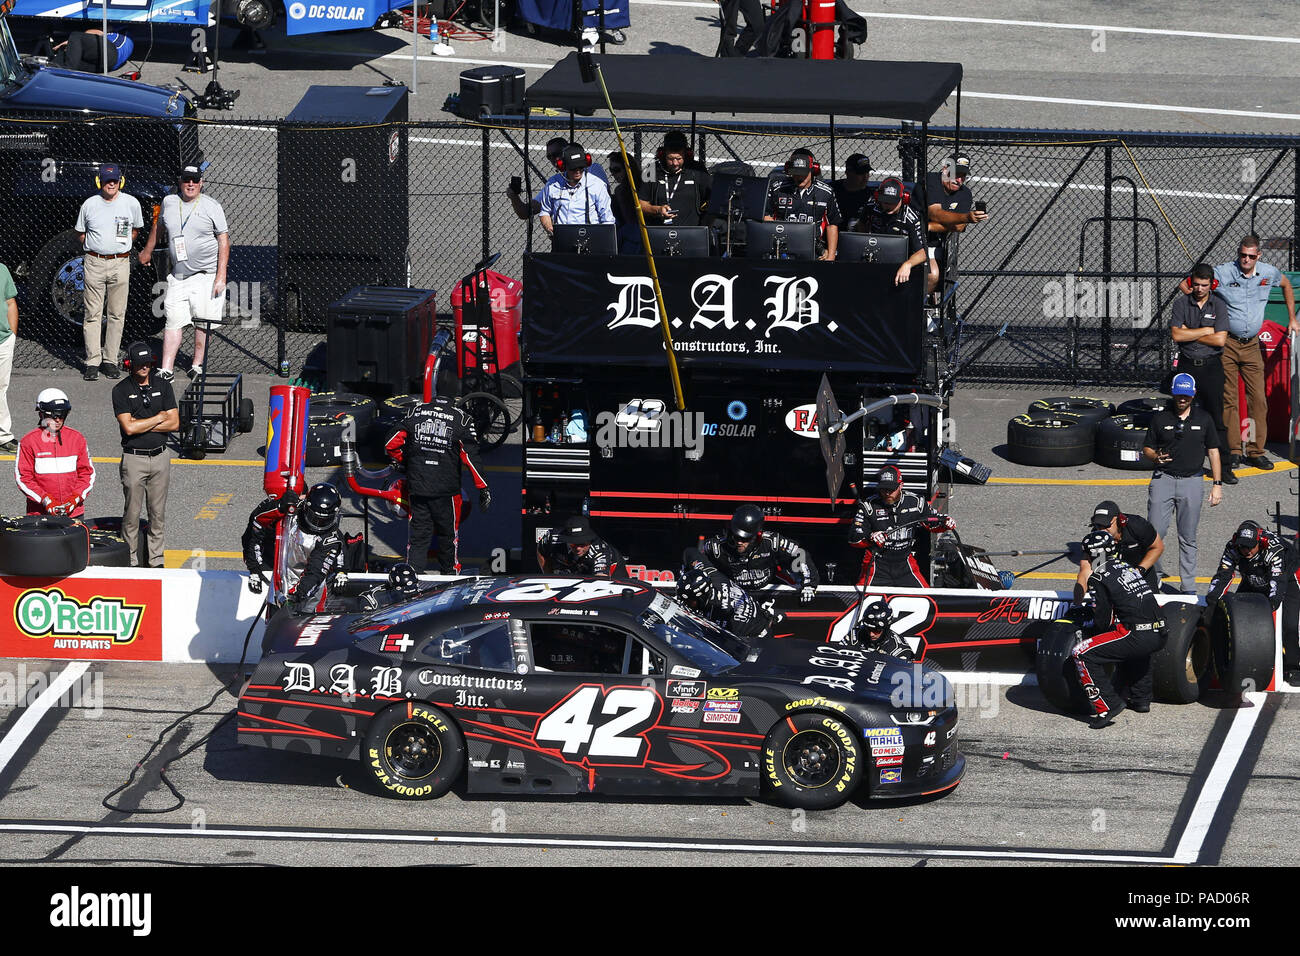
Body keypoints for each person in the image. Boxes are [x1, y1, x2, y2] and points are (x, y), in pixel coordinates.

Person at [1186, 234, 1298, 471]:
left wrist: (1292, 319)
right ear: (1238, 254)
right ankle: (1234, 450)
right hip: (1227, 343)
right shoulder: (1224, 272)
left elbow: (1287, 285)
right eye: (1242, 255)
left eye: (1250, 256)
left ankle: (1256, 451)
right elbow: (1190, 284)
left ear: (1259, 255)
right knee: (1229, 399)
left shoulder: (1268, 273)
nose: (1245, 260)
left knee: (1258, 399)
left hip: (1252, 345)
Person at [384, 375, 491, 574]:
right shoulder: (462, 419)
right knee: (448, 535)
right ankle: (449, 574)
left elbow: (390, 443)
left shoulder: (415, 412)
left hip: (418, 485)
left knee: (418, 534)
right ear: (456, 395)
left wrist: (404, 460)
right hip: (446, 491)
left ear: (435, 392)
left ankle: (412, 574)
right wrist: (483, 487)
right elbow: (471, 457)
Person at [138, 161, 229, 383]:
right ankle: (166, 368)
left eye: (195, 180)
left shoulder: (212, 206)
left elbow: (223, 241)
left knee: (202, 322)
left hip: (204, 275)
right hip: (178, 275)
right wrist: (147, 251)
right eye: (186, 180)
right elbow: (159, 228)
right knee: (173, 320)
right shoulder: (169, 202)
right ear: (180, 182)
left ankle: (197, 365)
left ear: (201, 183)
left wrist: (221, 276)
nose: (190, 184)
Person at [1073, 529, 1167, 729]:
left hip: (1137, 635)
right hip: (1161, 631)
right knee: (1133, 646)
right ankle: (1141, 699)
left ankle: (1107, 705)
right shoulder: (1127, 567)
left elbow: (1103, 619)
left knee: (1081, 653)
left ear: (1091, 556)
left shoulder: (1098, 577)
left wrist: (1093, 631)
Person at [1142, 373, 1223, 594]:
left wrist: (1217, 484)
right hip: (1163, 480)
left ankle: (1188, 586)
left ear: (1193, 394)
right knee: (1154, 534)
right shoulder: (1160, 419)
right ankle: (1154, 579)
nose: (1182, 399)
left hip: (1192, 482)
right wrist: (1155, 457)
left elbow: (1213, 452)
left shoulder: (1204, 419)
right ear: (1173, 393)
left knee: (1188, 536)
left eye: (1186, 395)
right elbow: (1147, 448)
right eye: (1179, 395)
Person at [112, 340, 178, 568]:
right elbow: (128, 428)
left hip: (160, 457)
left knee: (157, 514)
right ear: (130, 364)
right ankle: (130, 561)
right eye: (140, 364)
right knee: (131, 514)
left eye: (148, 363)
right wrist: (159, 418)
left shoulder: (164, 385)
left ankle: (156, 561)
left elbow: (175, 423)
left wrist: (142, 423)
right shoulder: (120, 390)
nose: (144, 367)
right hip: (134, 458)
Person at [76, 162, 143, 382]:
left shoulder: (131, 203)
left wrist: (120, 245)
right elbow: (81, 234)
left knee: (116, 314)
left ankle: (110, 360)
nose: (111, 184)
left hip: (120, 263)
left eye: (114, 180)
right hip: (95, 262)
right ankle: (93, 361)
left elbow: (135, 230)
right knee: (92, 314)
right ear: (100, 182)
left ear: (120, 181)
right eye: (107, 180)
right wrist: (99, 248)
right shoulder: (89, 204)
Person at [242, 483, 351, 612]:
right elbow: (257, 520)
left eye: (324, 520)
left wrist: (296, 596)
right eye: (315, 518)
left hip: (309, 598)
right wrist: (279, 506)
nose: (318, 524)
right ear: (306, 507)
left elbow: (316, 571)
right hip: (278, 588)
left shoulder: (331, 538)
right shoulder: (291, 513)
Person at [1171, 262, 1234, 482]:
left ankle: (1224, 468)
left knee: (1217, 418)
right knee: (1182, 415)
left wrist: (1192, 332)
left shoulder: (1219, 305)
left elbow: (1220, 339)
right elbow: (1177, 336)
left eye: (1204, 285)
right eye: (1196, 284)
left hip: (1211, 368)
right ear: (1191, 282)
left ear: (1211, 284)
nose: (1199, 289)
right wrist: (1206, 330)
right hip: (1187, 366)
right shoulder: (1181, 304)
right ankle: (1181, 463)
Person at [848, 465, 954, 588]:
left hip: (905, 564)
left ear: (901, 485)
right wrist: (871, 536)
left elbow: (932, 521)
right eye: (883, 489)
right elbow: (853, 537)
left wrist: (945, 522)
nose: (887, 493)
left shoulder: (916, 502)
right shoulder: (868, 506)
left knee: (928, 600)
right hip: (876, 565)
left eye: (891, 489)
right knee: (859, 600)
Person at [692, 504, 819, 602]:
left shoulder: (772, 542)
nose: (739, 542)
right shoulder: (716, 546)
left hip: (768, 589)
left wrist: (809, 585)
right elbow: (695, 555)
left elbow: (800, 553)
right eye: (736, 537)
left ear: (757, 536)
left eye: (745, 539)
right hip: (734, 594)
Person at [914, 154, 988, 296]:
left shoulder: (965, 194)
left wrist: (929, 226)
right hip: (915, 239)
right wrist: (966, 217)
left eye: (963, 176)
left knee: (933, 274)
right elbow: (935, 213)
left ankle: (921, 308)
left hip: (937, 245)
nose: (958, 180)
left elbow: (960, 227)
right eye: (955, 174)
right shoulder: (930, 181)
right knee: (932, 274)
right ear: (944, 169)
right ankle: (917, 310)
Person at [15, 388, 94, 518]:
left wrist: (75, 498)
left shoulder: (77, 439)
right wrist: (45, 499)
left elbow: (87, 474)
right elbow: (23, 478)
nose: (58, 420)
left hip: (74, 512)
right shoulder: (28, 442)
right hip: (39, 513)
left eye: (62, 415)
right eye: (53, 415)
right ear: (41, 415)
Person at [1074, 499, 1163, 599]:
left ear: (1120, 520)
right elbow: (1088, 570)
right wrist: (1078, 600)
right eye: (1098, 525)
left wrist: (1139, 571)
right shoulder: (1097, 539)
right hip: (1113, 576)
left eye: (1106, 525)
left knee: (1152, 604)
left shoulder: (1138, 526)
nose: (1102, 530)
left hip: (1141, 570)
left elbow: (1157, 547)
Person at [764, 148, 841, 260]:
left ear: (813, 170)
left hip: (814, 248)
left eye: (803, 173)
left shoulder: (825, 193)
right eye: (796, 173)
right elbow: (767, 215)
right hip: (781, 247)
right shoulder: (777, 189)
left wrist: (831, 256)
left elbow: (832, 224)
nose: (799, 177)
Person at [507, 137, 609, 221]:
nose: (553, 160)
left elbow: (605, 203)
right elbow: (526, 212)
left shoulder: (593, 169)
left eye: (556, 154)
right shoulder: (555, 183)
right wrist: (514, 196)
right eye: (549, 157)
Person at [676, 563, 781, 643]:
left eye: (689, 601)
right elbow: (690, 552)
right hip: (760, 618)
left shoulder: (719, 616)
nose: (685, 603)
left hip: (757, 639)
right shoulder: (713, 575)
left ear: (702, 597)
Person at [852, 177, 928, 287]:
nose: (889, 206)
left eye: (893, 202)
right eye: (885, 201)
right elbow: (861, 224)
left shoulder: (911, 218)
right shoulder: (870, 209)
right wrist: (864, 239)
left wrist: (907, 264)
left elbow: (922, 253)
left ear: (904, 199)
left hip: (902, 262)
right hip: (874, 259)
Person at [536, 144, 615, 235]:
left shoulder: (597, 185)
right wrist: (550, 229)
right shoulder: (553, 184)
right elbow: (545, 212)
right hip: (562, 239)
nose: (578, 171)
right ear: (563, 166)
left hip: (591, 239)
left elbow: (607, 220)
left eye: (581, 167)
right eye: (573, 168)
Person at [643, 134, 711, 228]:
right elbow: (640, 203)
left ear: (686, 155)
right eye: (670, 159)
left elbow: (712, 199)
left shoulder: (697, 170)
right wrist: (658, 210)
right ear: (662, 154)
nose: (675, 163)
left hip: (691, 232)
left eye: (679, 159)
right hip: (658, 230)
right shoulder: (651, 170)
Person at [537, 514, 628, 577]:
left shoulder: (600, 550)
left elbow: (600, 581)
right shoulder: (552, 538)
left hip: (613, 575)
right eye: (573, 543)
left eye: (582, 544)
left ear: (589, 540)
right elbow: (541, 550)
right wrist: (548, 576)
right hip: (575, 568)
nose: (578, 548)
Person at [846, 599, 919, 661]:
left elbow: (914, 674)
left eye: (876, 630)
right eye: (868, 629)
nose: (871, 634)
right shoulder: (855, 635)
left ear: (886, 628)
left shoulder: (900, 650)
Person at [606, 152, 646, 255]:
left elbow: (630, 220)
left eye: (617, 170)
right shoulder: (622, 189)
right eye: (611, 170)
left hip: (638, 230)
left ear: (628, 168)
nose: (614, 174)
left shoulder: (623, 190)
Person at [34, 30, 118, 73]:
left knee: (75, 35)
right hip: (109, 66)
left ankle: (67, 70)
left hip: (112, 53)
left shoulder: (115, 34)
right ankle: (51, 64)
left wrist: (71, 42)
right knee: (60, 62)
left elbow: (94, 33)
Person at [831, 153, 873, 231]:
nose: (865, 177)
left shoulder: (870, 196)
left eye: (867, 172)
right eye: (860, 173)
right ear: (848, 172)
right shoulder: (832, 191)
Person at [0, 261, 17, 454]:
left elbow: (10, 302)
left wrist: (12, 335)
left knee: (1, 388)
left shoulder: (2, 269)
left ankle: (3, 436)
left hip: (3, 340)